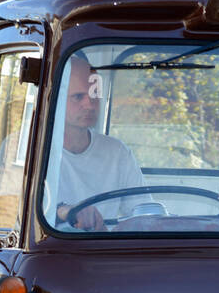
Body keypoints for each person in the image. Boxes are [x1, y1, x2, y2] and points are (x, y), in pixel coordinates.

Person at [50, 54, 149, 231]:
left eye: (94, 94)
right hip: (52, 254)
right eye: (78, 97)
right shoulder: (29, 149)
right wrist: (65, 212)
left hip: (103, 253)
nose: (90, 104)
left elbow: (142, 214)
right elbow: (10, 214)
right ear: (56, 97)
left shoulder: (117, 152)